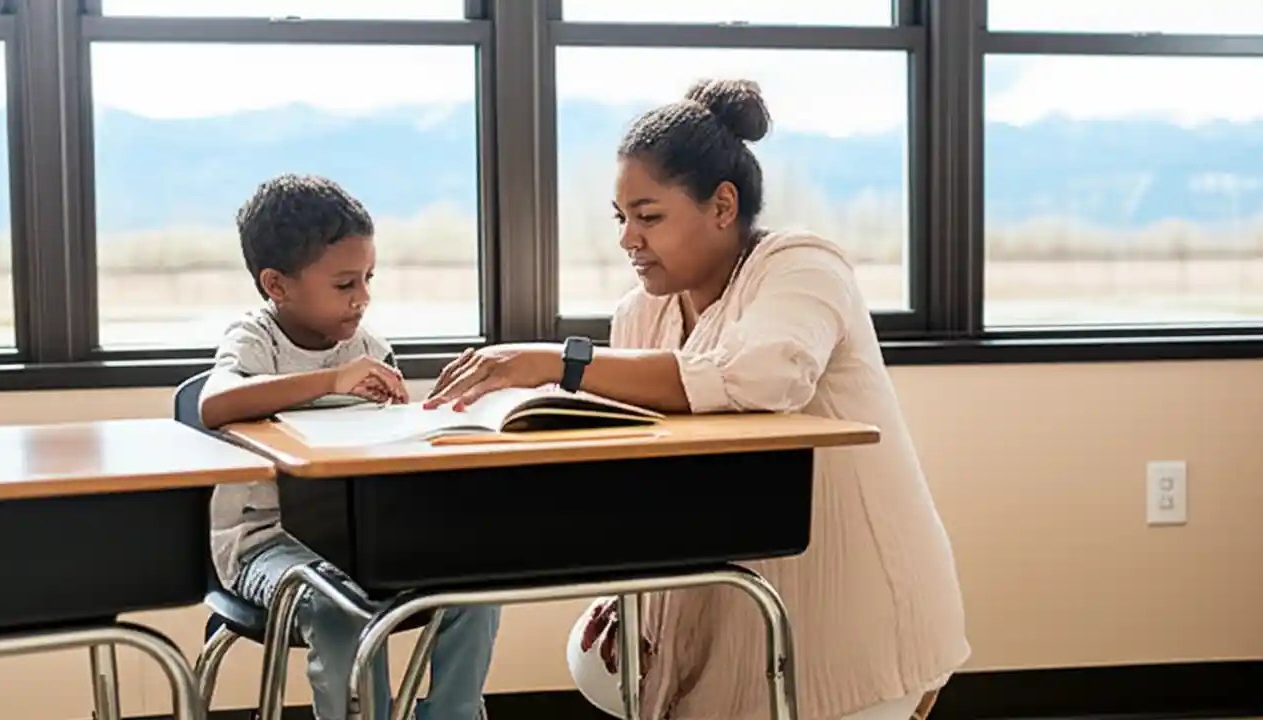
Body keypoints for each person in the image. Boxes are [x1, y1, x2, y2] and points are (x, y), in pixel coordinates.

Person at [424, 79, 969, 720]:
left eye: (649, 216)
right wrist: (630, 589)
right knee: (606, 661)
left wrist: (555, 362)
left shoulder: (802, 266)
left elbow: (764, 380)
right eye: (621, 218)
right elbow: (650, 479)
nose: (629, 239)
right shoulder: (641, 314)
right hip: (721, 613)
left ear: (722, 206)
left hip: (849, 618)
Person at [199, 174, 500, 720]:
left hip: (362, 536)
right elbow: (214, 404)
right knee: (340, 605)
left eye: (368, 279)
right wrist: (330, 382)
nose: (362, 298)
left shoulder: (370, 349)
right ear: (277, 285)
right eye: (344, 284)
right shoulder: (255, 339)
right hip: (264, 544)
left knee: (476, 585)